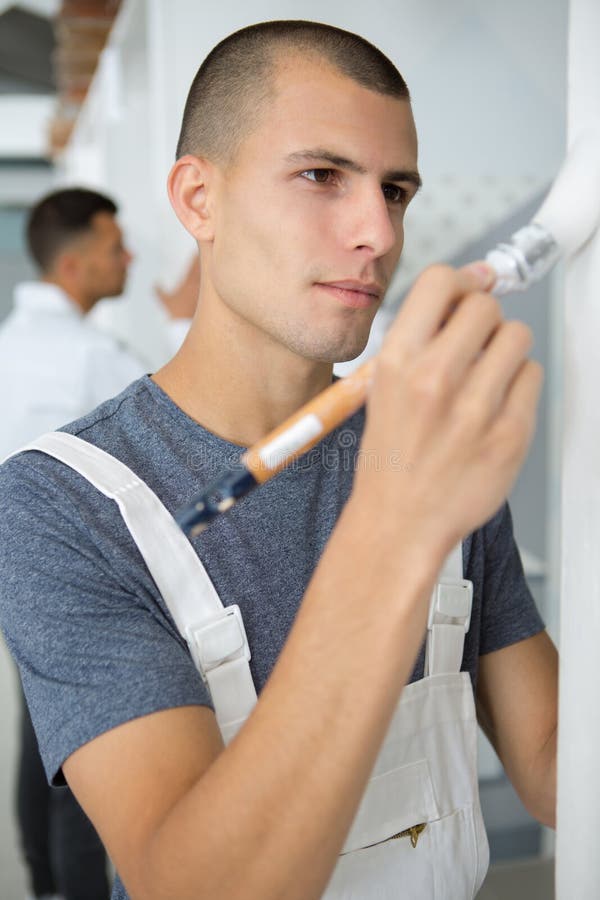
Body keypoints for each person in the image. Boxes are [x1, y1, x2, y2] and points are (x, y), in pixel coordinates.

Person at [0, 20, 557, 900]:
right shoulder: (57, 505)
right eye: (321, 176)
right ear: (198, 199)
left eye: (397, 190)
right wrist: (399, 520)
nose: (377, 230)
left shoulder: (426, 446)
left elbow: (554, 765)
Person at [0, 187, 199, 900]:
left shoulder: (7, 343)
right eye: (118, 247)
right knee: (89, 753)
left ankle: (45, 883)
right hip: (83, 571)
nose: (131, 257)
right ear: (78, 264)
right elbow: (177, 434)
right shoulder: (91, 358)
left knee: (41, 734)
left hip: (16, 561)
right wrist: (184, 325)